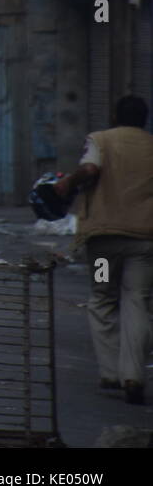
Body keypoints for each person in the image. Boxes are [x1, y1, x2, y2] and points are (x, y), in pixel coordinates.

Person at [55, 95, 153, 406]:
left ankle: (110, 372)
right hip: (144, 240)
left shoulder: (100, 140)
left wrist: (69, 183)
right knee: (138, 300)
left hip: (104, 241)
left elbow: (90, 169)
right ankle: (133, 375)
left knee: (102, 297)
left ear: (114, 116)